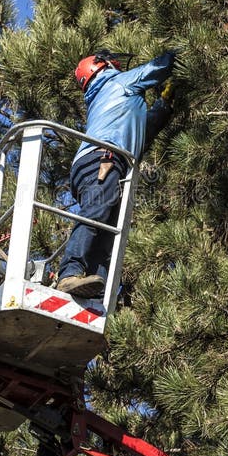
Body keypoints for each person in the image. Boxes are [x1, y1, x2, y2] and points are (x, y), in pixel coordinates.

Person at [56, 50, 177, 298]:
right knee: (96, 213)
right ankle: (69, 272)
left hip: (94, 164)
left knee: (107, 231)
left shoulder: (108, 99)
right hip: (103, 160)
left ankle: (95, 289)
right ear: (102, 67)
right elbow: (158, 67)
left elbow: (142, 130)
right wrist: (181, 51)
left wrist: (163, 104)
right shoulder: (117, 82)